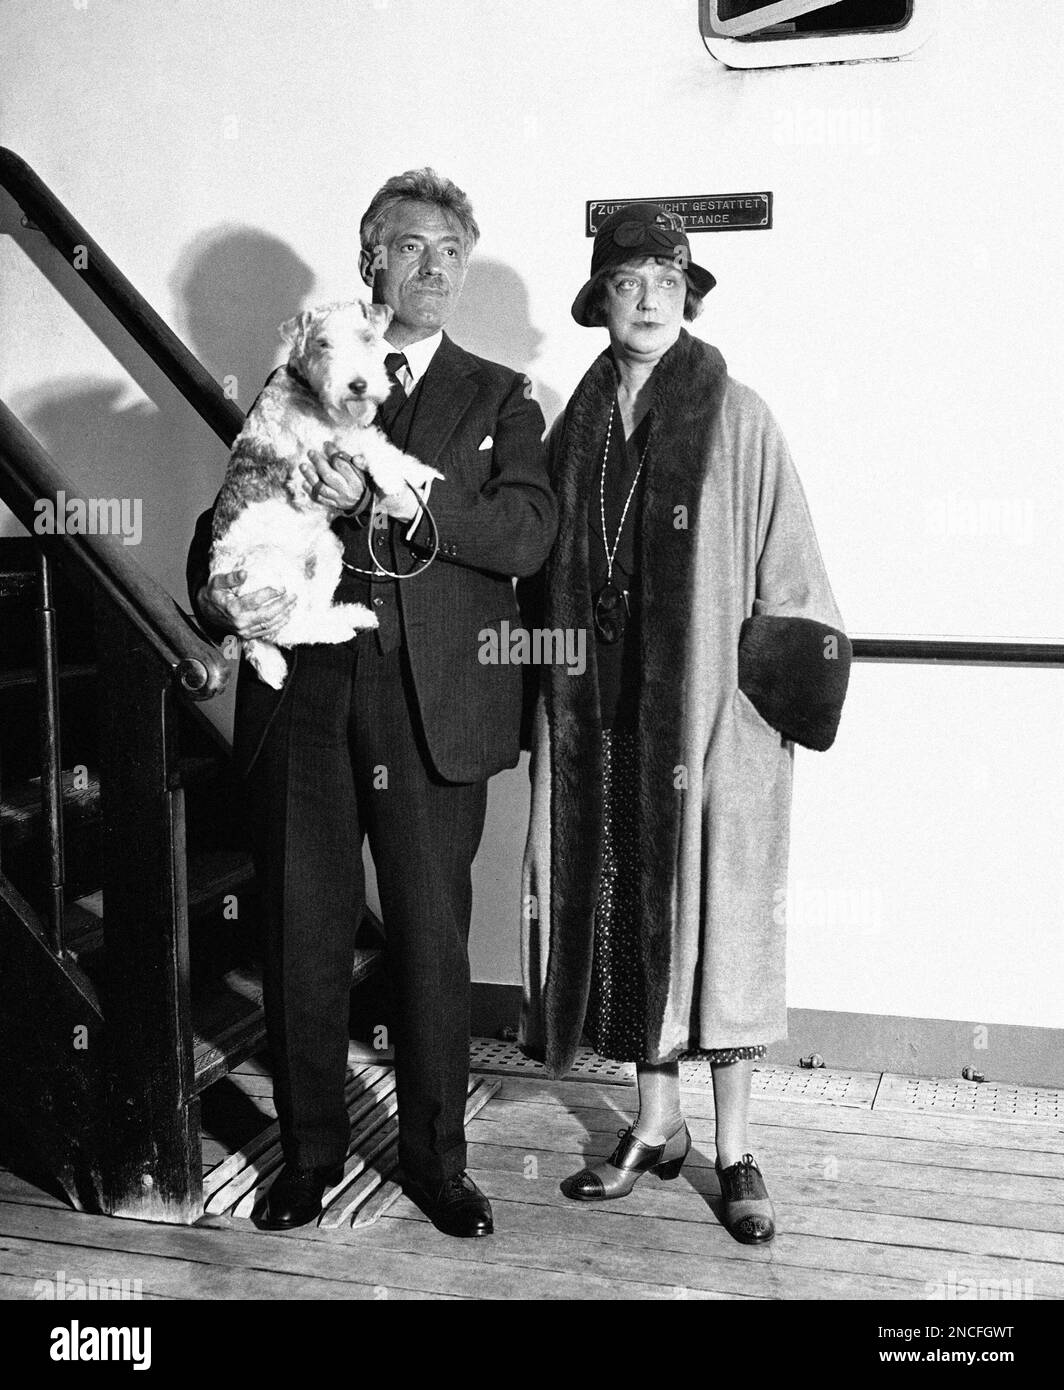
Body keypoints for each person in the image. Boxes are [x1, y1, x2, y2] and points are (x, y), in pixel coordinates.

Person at [187, 169, 557, 1237]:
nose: (434, 267)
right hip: (304, 685)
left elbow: (524, 531)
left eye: (451, 249)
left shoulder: (499, 394)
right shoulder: (301, 374)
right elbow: (234, 508)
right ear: (370, 262)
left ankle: (437, 1161)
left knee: (431, 941)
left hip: (427, 700)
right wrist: (228, 596)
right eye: (410, 246)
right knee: (301, 926)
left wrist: (390, 516)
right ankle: (306, 1155)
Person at [519, 203, 850, 1243]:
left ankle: (737, 1147)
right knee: (628, 929)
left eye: (667, 278)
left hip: (713, 731)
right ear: (600, 303)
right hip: (607, 726)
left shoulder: (738, 415)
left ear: (688, 294)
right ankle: (654, 1122)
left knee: (720, 933)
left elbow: (791, 579)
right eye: (628, 281)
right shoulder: (574, 430)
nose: (649, 296)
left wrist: (753, 722)